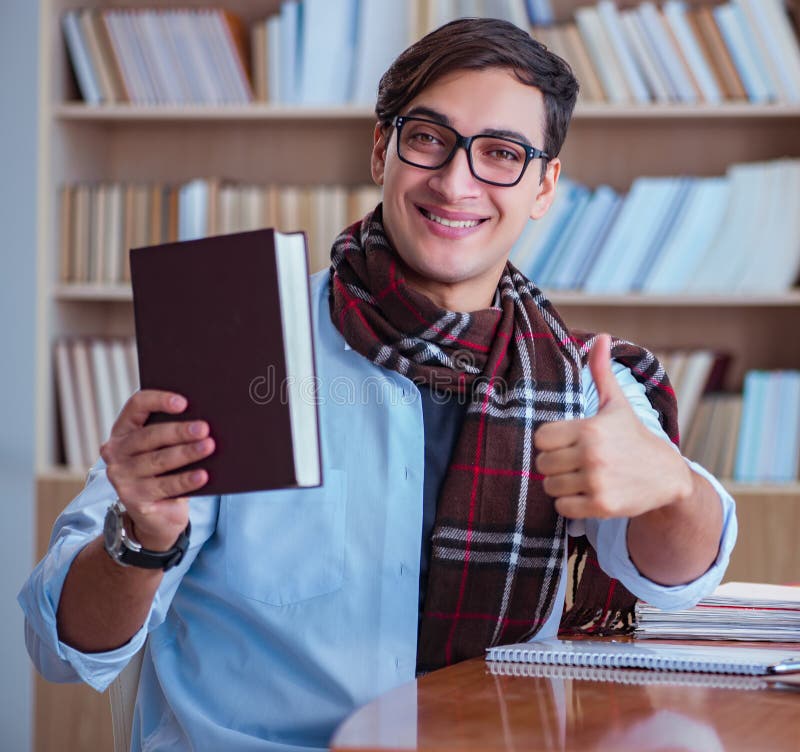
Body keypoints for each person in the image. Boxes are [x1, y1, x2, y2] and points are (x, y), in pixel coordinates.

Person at [19, 17, 736, 751]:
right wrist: (140, 540)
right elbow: (63, 647)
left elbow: (678, 578)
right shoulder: (243, 342)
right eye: (427, 138)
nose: (455, 182)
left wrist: (673, 486)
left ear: (544, 186)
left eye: (500, 153)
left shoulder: (578, 380)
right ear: (380, 150)